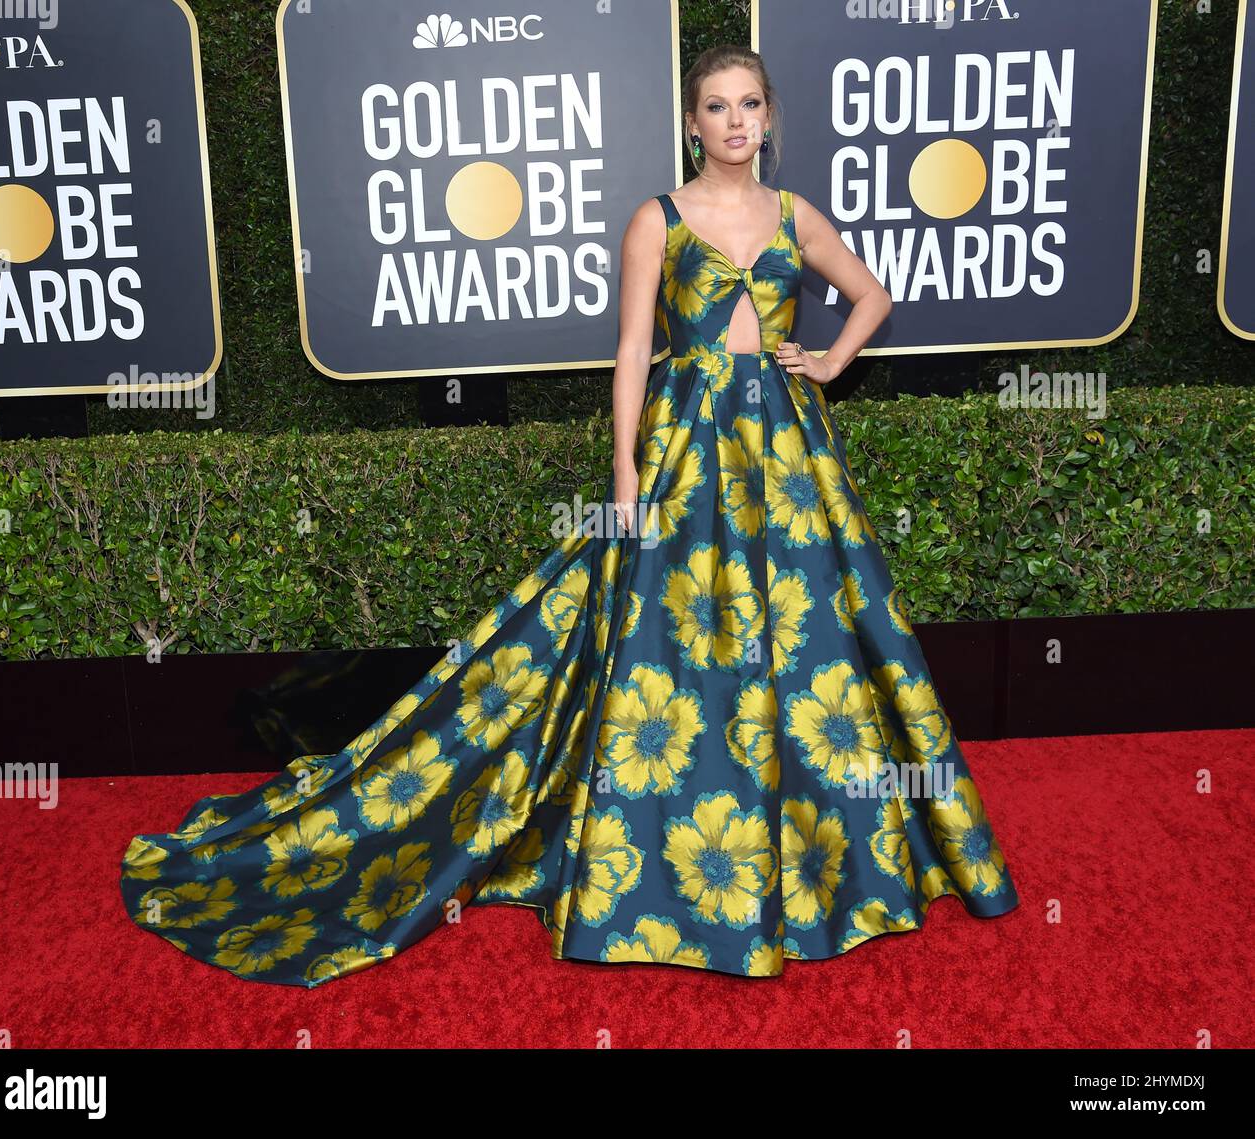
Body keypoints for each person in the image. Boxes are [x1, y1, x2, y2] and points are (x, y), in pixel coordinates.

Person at [119, 45, 1019, 987]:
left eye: (750, 104)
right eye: (716, 107)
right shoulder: (657, 220)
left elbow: (872, 294)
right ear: (691, 123)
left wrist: (830, 361)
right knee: (669, 646)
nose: (736, 122)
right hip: (685, 451)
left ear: (768, 116)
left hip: (790, 457)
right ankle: (670, 861)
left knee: (818, 646)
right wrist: (626, 469)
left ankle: (815, 868)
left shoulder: (796, 216)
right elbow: (632, 351)